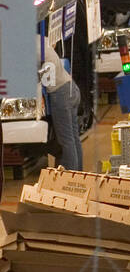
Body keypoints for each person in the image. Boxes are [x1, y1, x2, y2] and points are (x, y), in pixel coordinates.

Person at [39, 34, 82, 171]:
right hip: (71, 86)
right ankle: (79, 176)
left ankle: (69, 180)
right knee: (73, 138)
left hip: (60, 93)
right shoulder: (40, 39)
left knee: (65, 142)